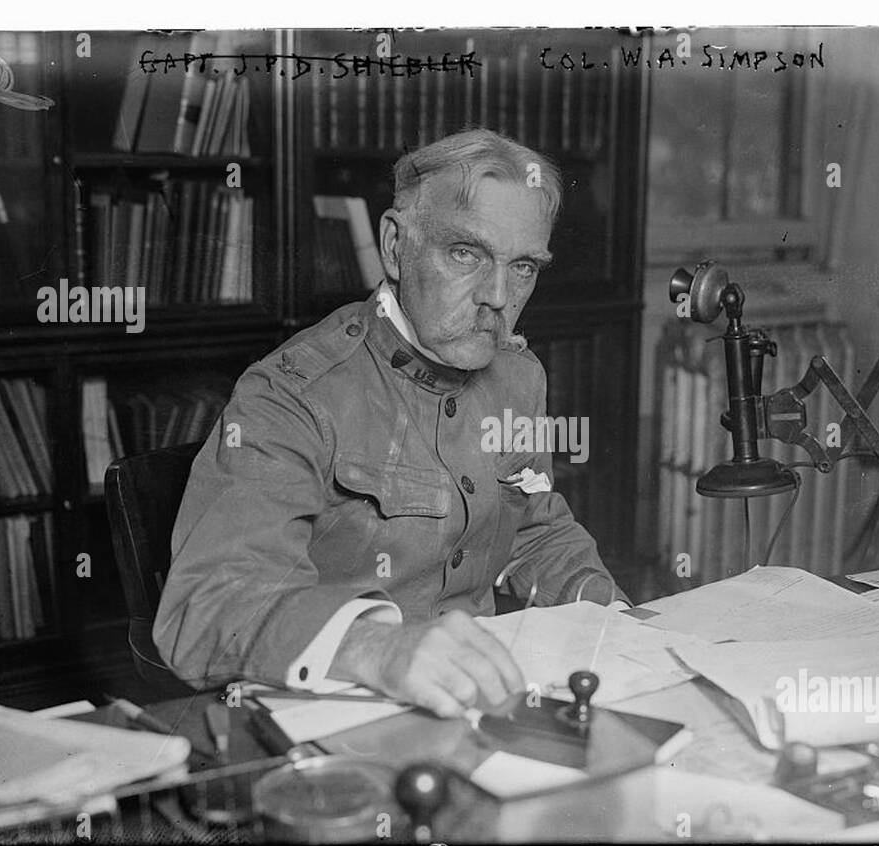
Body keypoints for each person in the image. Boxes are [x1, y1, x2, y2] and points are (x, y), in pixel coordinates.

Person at [154, 128, 627, 717]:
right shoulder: (292, 395)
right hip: (328, 715)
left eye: (524, 266)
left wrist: (613, 617)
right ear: (396, 247)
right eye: (466, 254)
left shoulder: (517, 377)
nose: (499, 297)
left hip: (478, 704)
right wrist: (376, 647)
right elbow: (202, 610)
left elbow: (533, 528)